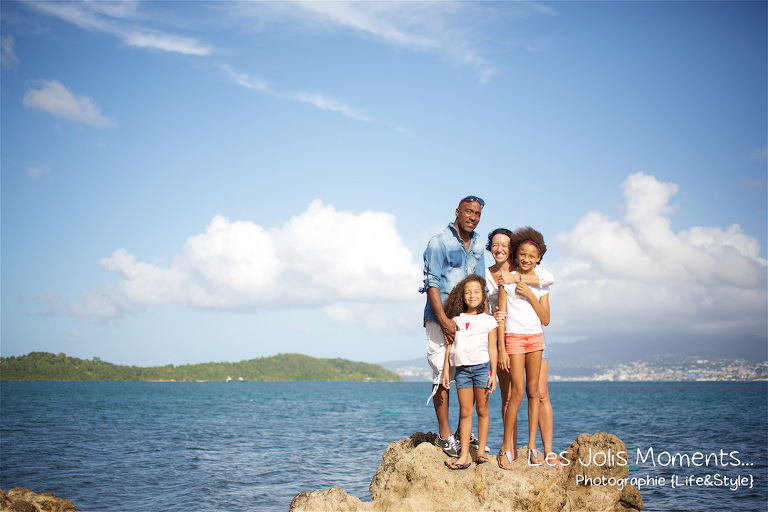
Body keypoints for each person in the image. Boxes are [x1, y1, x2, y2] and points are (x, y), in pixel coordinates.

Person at [420, 196, 486, 457]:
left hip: (468, 320)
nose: (472, 217)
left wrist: (482, 322)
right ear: (457, 212)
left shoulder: (479, 244)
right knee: (442, 371)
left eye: (477, 214)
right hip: (441, 318)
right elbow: (431, 283)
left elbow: (481, 284)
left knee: (467, 371)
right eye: (468, 211)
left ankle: (462, 432)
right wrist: (444, 320)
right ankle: (444, 435)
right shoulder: (438, 242)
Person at [485, 228, 558, 465]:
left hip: (536, 339)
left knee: (535, 392)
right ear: (517, 255)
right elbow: (501, 316)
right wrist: (502, 349)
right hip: (513, 339)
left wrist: (530, 294)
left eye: (531, 256)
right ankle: (506, 448)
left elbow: (546, 318)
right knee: (515, 393)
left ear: (538, 257)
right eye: (522, 255)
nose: (526, 259)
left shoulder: (540, 282)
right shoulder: (504, 282)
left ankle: (535, 448)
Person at [440, 274, 498, 469]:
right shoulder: (456, 320)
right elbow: (449, 346)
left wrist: (494, 374)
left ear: (483, 295)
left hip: (482, 369)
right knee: (465, 412)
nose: (472, 295)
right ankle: (464, 455)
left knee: (482, 410)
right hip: (462, 371)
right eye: (468, 292)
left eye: (476, 292)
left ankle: (480, 452)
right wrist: (446, 371)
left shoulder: (489, 321)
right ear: (462, 296)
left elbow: (493, 349)